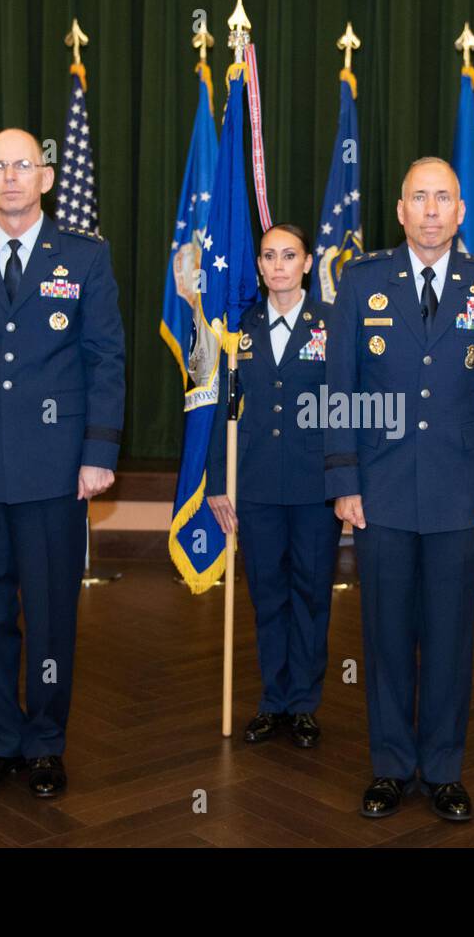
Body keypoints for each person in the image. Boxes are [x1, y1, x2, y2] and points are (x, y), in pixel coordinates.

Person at [0, 128, 125, 799]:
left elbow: (105, 360)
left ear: (45, 178)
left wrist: (98, 452)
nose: (12, 178)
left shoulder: (85, 257)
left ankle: (44, 743)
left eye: (24, 166)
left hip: (55, 464)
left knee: (49, 612)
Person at [324, 157, 474, 821]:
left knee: (449, 634)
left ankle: (442, 768)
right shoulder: (360, 281)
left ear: (460, 211)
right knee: (384, 633)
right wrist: (345, 480)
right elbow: (340, 388)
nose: (433, 209)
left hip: (460, 490)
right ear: (401, 210)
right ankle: (389, 766)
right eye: (420, 197)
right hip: (378, 489)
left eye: (444, 198)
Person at [206, 223, 342, 749]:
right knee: (266, 596)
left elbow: (348, 409)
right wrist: (218, 480)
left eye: (290, 255)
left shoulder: (333, 324)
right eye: (269, 256)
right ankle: (272, 700)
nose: (279, 265)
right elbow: (217, 410)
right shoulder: (237, 330)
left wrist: (348, 480)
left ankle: (304, 703)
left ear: (308, 263)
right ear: (259, 266)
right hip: (256, 486)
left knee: (310, 596)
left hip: (315, 488)